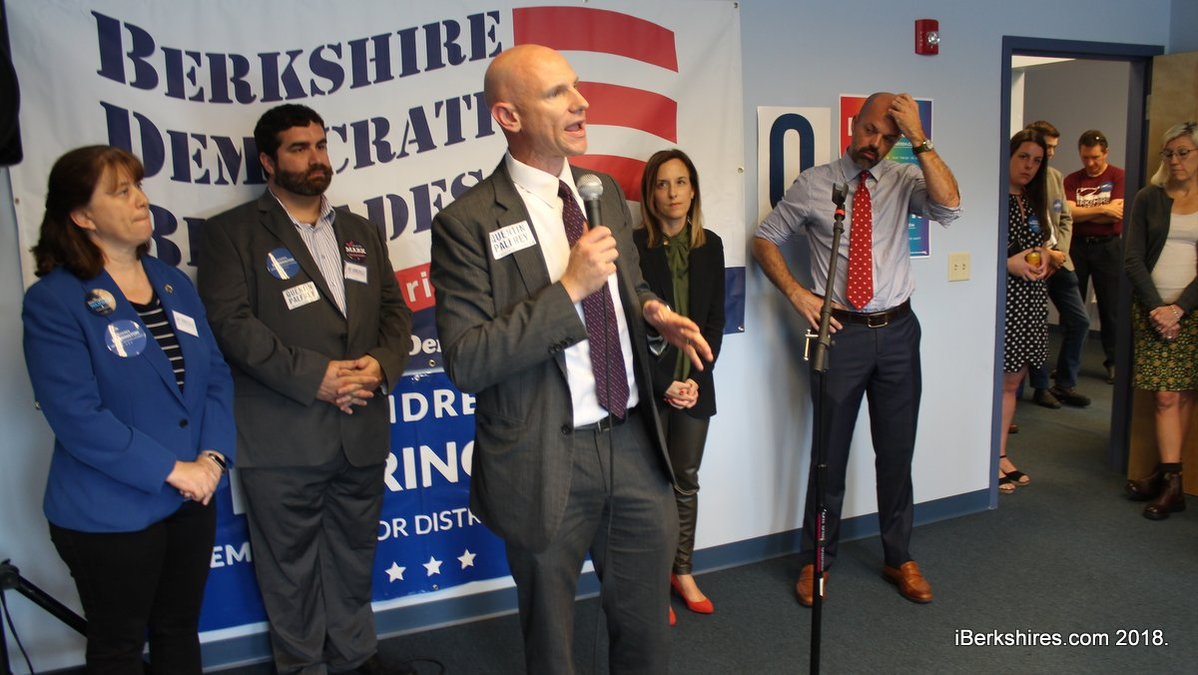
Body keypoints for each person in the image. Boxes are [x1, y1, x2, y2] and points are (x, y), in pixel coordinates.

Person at [430, 44, 712, 673]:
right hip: (542, 457)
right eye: (558, 93)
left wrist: (654, 313)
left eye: (577, 86)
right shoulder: (467, 223)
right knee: (552, 644)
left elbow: (628, 286)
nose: (582, 102)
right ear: (509, 116)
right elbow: (468, 360)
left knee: (644, 633)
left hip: (636, 444)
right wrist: (568, 291)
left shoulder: (601, 191)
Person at [198, 104, 413, 675]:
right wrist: (313, 377)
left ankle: (354, 656)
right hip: (283, 435)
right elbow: (231, 325)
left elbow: (396, 313)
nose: (316, 158)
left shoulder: (361, 230)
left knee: (353, 553)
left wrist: (380, 365)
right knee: (288, 568)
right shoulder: (230, 235)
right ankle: (301, 666)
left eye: (320, 145)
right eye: (299, 148)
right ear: (268, 161)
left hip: (361, 428)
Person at [22, 145, 234, 673]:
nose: (142, 201)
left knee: (178, 630)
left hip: (192, 497)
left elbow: (216, 380)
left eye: (139, 187)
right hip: (109, 512)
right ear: (82, 215)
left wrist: (211, 459)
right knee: (118, 649)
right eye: (122, 192)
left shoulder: (173, 283)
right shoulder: (56, 300)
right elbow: (77, 416)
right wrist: (173, 470)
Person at [753, 92, 960, 605]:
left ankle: (899, 557)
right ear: (853, 124)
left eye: (888, 138)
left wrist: (920, 139)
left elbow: (951, 208)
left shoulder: (906, 177)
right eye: (871, 131)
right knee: (828, 457)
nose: (876, 144)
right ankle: (817, 559)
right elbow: (764, 239)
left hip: (897, 333)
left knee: (896, 452)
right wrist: (797, 293)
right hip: (839, 335)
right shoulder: (815, 184)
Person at [634, 149, 725, 619]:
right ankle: (651, 580)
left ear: (693, 190)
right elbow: (628, 331)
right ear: (649, 194)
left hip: (696, 387)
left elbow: (713, 323)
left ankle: (682, 569)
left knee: (685, 481)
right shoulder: (632, 248)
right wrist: (665, 383)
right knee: (650, 486)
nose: (672, 193)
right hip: (647, 389)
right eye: (662, 184)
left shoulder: (713, 245)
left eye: (681, 182)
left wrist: (693, 380)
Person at [1123, 121, 1198, 520]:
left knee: (1182, 394)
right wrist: (1158, 308)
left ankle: (1168, 478)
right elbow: (1132, 258)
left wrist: (1180, 308)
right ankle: (1172, 482)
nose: (1174, 160)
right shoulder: (1148, 198)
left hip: (1192, 313)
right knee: (1165, 396)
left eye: (1183, 152)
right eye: (1168, 153)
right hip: (1153, 311)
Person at [998, 130, 1053, 493]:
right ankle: (983, 457)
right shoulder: (994, 198)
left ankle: (999, 454)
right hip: (1001, 300)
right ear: (1009, 155)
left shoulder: (1032, 202)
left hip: (1030, 300)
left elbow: (1041, 243)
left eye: (1036, 160)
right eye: (1023, 157)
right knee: (996, 381)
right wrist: (1008, 264)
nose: (1029, 166)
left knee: (1014, 381)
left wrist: (1047, 257)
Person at [1024, 121, 1092, 409]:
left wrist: (1060, 252)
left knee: (1080, 321)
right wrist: (1045, 254)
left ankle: (1065, 383)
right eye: (1046, 148)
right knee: (1039, 326)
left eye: (1053, 148)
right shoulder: (1020, 179)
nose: (1051, 153)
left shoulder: (1054, 176)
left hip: (1061, 261)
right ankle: (1041, 388)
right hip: (1034, 261)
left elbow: (1064, 219)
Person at [1064, 129, 1126, 384]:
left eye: (1095, 158)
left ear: (1105, 153)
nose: (1090, 163)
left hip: (1108, 247)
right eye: (1085, 158)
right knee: (1074, 308)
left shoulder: (1119, 176)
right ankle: (1068, 367)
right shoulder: (1071, 180)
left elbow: (1118, 213)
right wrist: (1103, 209)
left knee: (1111, 308)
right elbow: (1069, 213)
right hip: (1077, 246)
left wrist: (1083, 211)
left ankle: (1114, 362)